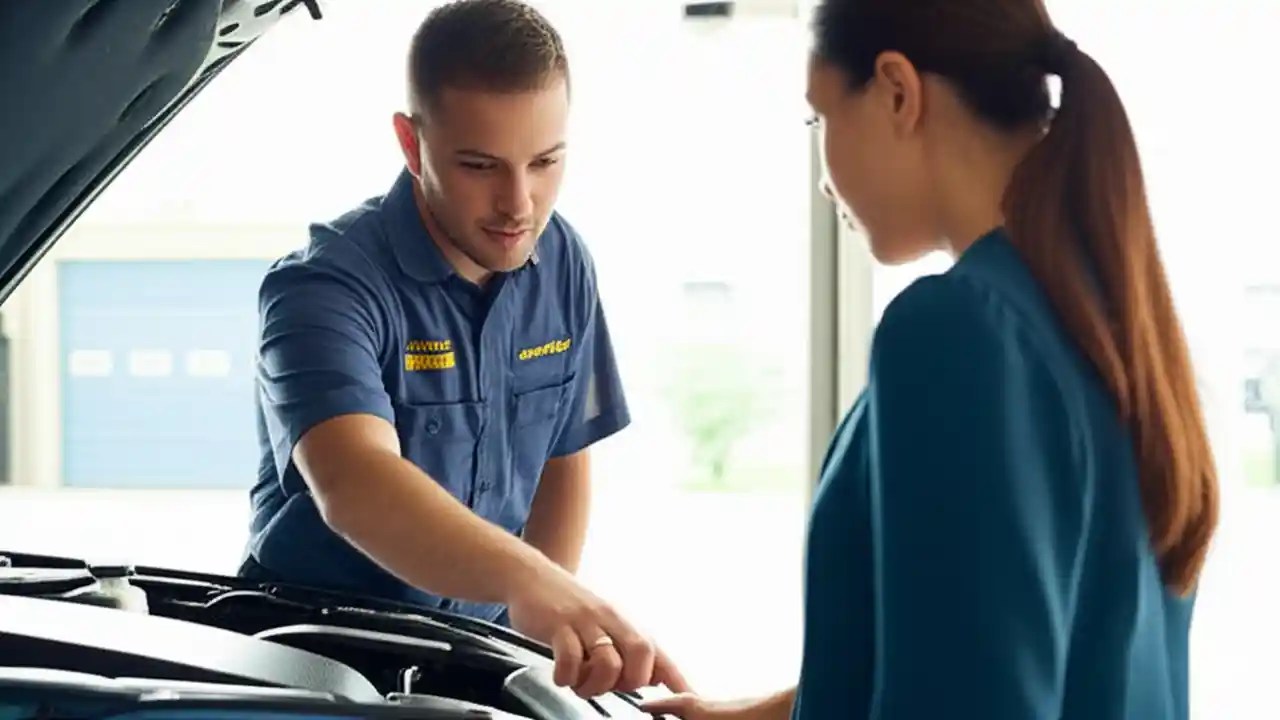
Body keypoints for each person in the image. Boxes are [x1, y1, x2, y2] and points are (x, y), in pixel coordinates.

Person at [645, 0, 1218, 718]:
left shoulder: (958, 332)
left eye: (818, 118)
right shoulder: (1118, 333)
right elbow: (990, 652)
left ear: (896, 92)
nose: (824, 179)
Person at [240, 0, 686, 700]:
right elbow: (355, 481)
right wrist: (535, 582)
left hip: (472, 658)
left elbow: (563, 460)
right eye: (481, 165)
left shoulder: (563, 258)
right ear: (411, 144)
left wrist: (544, 639)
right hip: (312, 662)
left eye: (545, 162)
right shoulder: (320, 287)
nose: (520, 204)